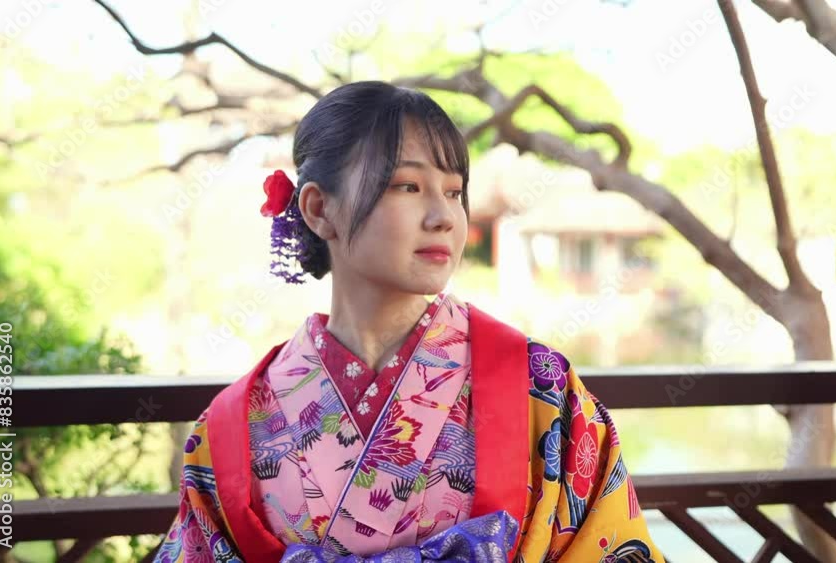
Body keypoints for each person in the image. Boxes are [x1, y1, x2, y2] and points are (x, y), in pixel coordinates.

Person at [153, 81, 665, 563]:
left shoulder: (538, 386)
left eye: (454, 190)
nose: (444, 215)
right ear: (318, 208)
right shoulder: (231, 425)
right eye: (408, 185)